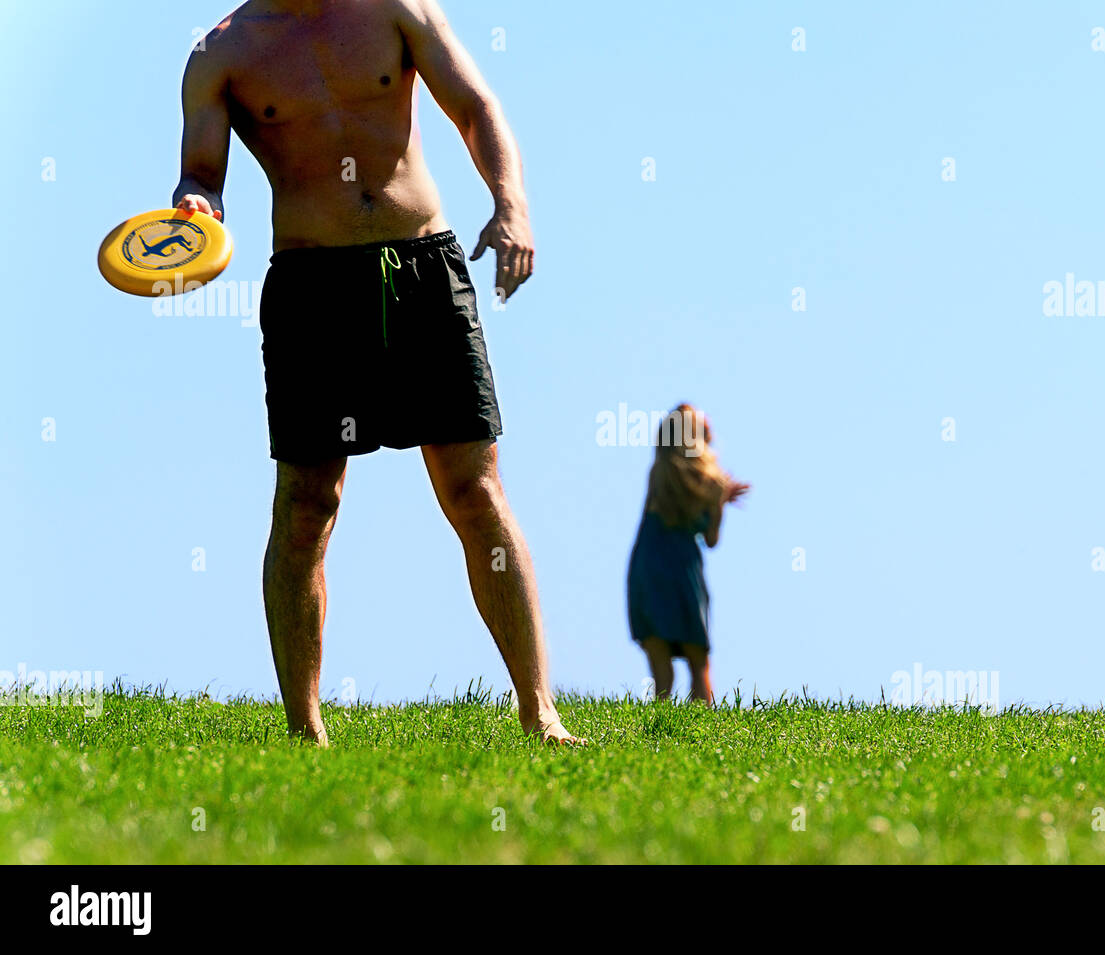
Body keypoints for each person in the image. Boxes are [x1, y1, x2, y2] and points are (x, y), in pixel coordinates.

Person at [172, 0, 582, 745]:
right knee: (306, 505)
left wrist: (511, 203)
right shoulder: (218, 56)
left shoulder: (397, 7)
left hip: (425, 266)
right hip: (311, 286)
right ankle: (306, 730)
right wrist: (196, 206)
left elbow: (475, 105)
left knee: (476, 490)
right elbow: (202, 174)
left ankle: (540, 712)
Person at [627, 405, 750, 704]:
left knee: (661, 670)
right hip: (682, 570)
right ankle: (702, 729)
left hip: (648, 566)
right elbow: (711, 539)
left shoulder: (660, 472)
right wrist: (719, 500)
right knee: (699, 661)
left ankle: (659, 734)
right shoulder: (711, 482)